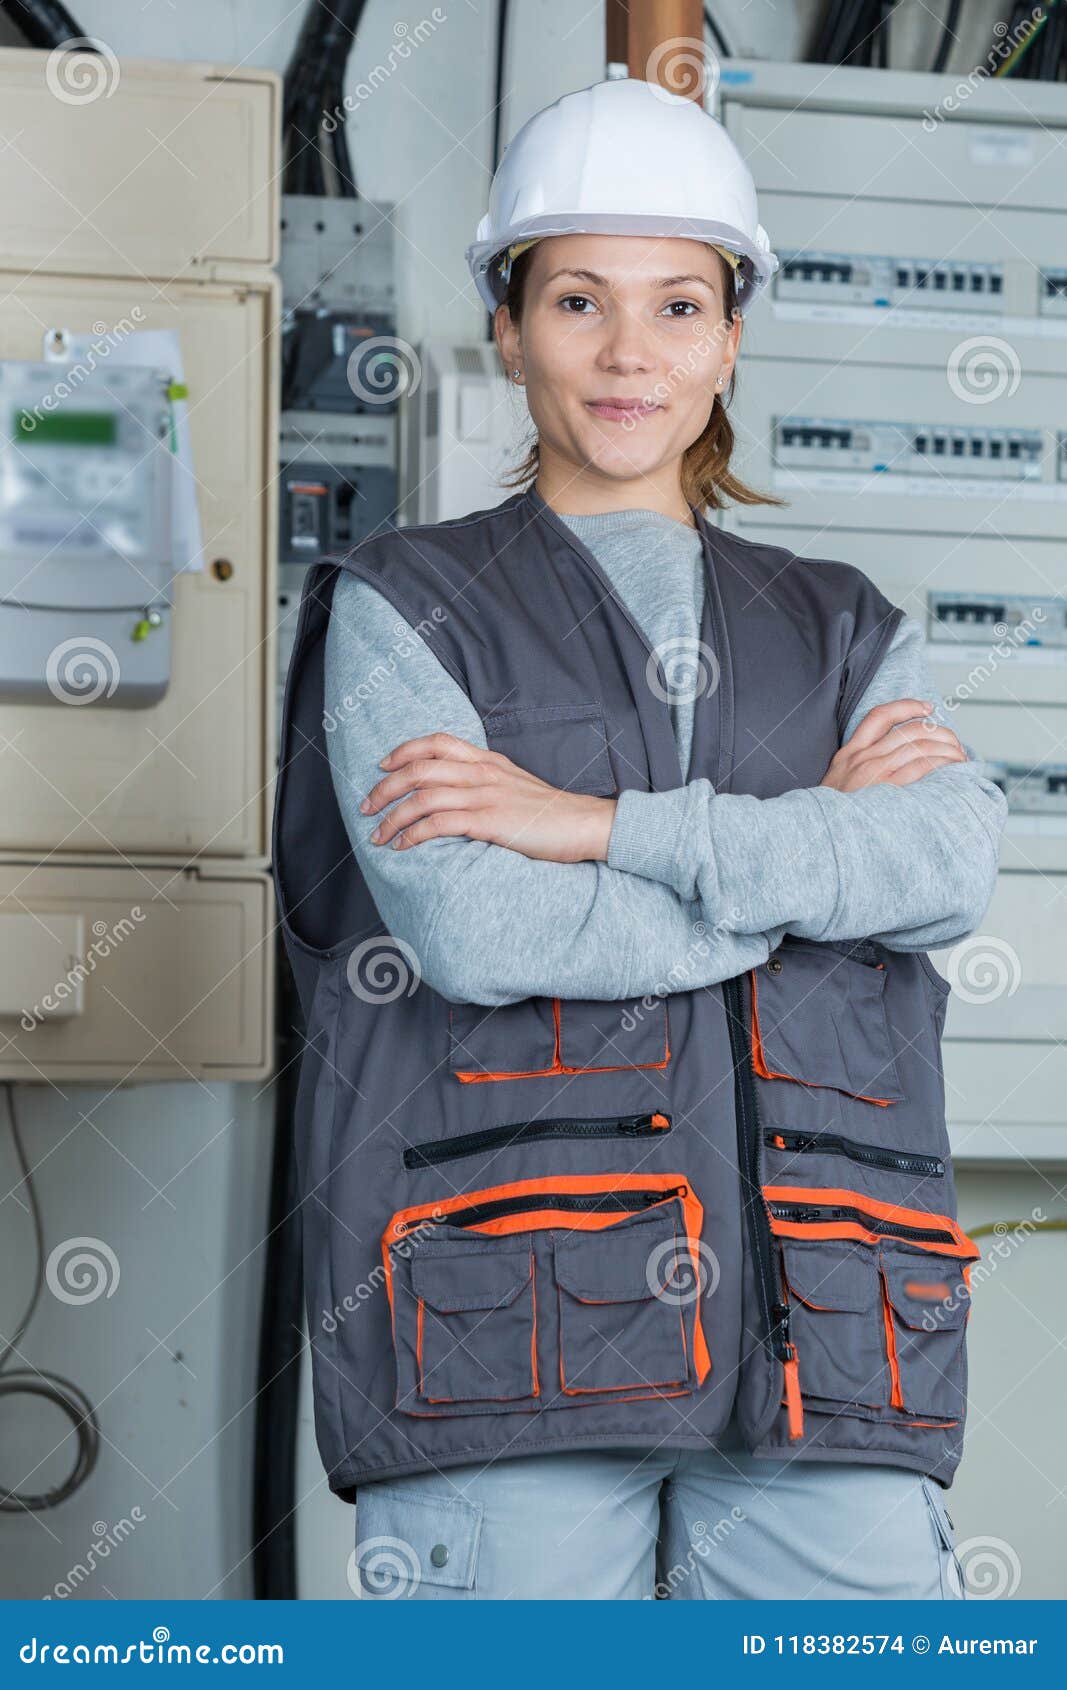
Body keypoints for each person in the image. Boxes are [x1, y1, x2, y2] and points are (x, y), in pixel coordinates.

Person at [273, 78, 1006, 1601]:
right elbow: (480, 930)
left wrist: (596, 827)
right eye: (578, 301)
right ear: (508, 326)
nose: (629, 353)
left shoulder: (845, 626)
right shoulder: (405, 608)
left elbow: (944, 868)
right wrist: (813, 869)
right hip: (508, 1329)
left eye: (678, 306)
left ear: (730, 337)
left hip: (826, 1335)